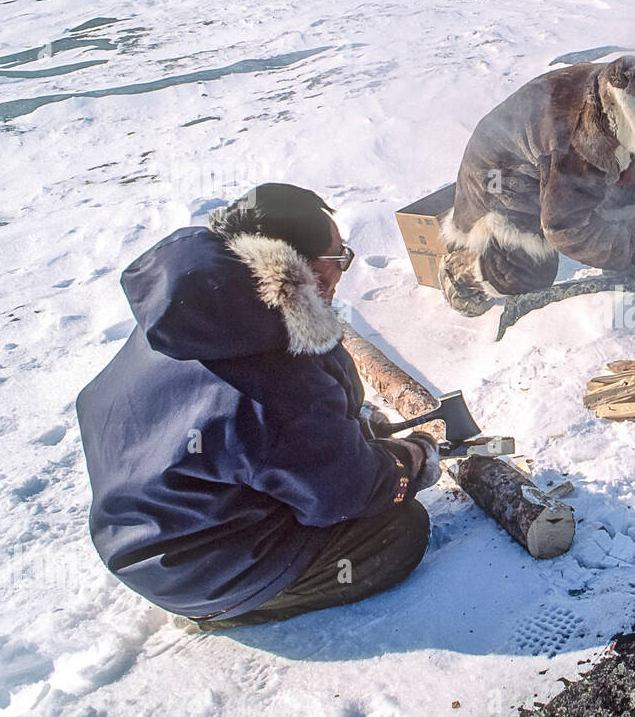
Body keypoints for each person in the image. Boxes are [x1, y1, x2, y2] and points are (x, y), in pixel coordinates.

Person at [75, 183, 441, 630]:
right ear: (310, 271)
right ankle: (235, 608)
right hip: (201, 570)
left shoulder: (198, 309)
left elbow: (248, 437)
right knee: (400, 531)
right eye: (338, 257)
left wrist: (339, 430)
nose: (341, 270)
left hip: (139, 538)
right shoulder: (280, 369)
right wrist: (410, 462)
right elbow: (345, 494)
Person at [441, 55, 635, 316]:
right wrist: (626, 251)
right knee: (530, 272)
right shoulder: (581, 143)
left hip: (540, 160)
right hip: (497, 176)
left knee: (615, 182)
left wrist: (622, 243)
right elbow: (564, 227)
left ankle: (612, 250)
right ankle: (463, 270)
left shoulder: (628, 96)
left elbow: (626, 181)